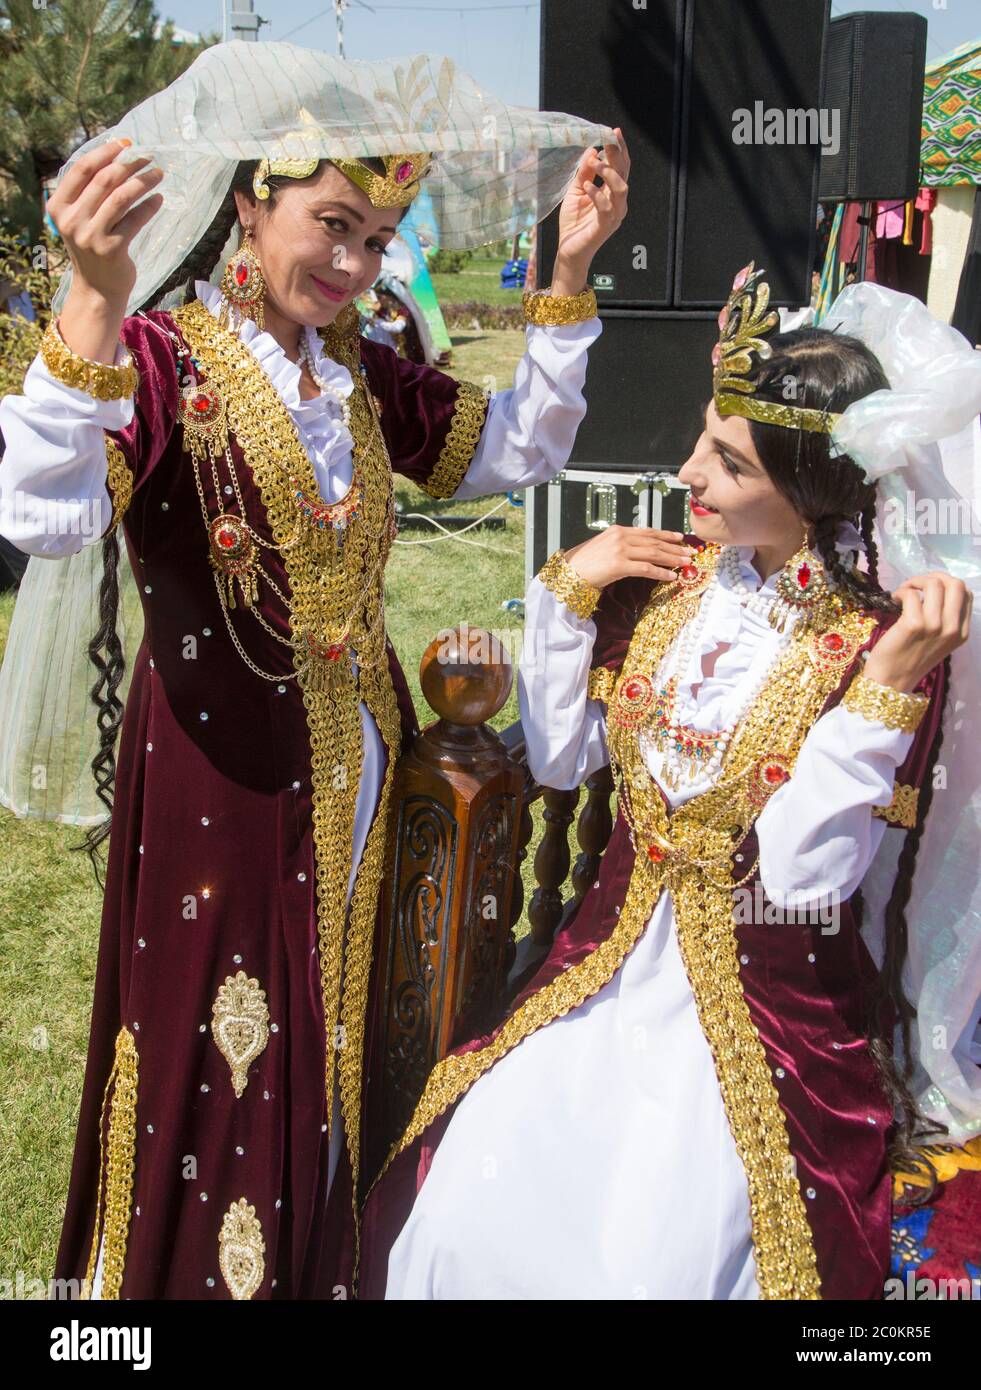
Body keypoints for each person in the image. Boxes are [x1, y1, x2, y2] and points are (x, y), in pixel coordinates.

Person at [0, 42, 630, 1299]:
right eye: (332, 226)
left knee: (344, 1048)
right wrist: (88, 295)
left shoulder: (354, 374)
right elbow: (43, 509)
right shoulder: (167, 361)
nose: (354, 266)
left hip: (364, 773)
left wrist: (564, 277)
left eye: (379, 239)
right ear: (247, 203)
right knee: (224, 1056)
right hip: (220, 799)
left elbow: (512, 448)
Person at [359, 265, 981, 1300]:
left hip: (752, 1015)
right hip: (603, 973)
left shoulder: (875, 650)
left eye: (725, 462)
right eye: (701, 438)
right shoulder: (666, 588)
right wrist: (568, 589)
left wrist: (878, 699)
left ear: (807, 488)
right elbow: (561, 762)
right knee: (473, 1201)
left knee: (643, 1262)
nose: (686, 471)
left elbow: (796, 873)